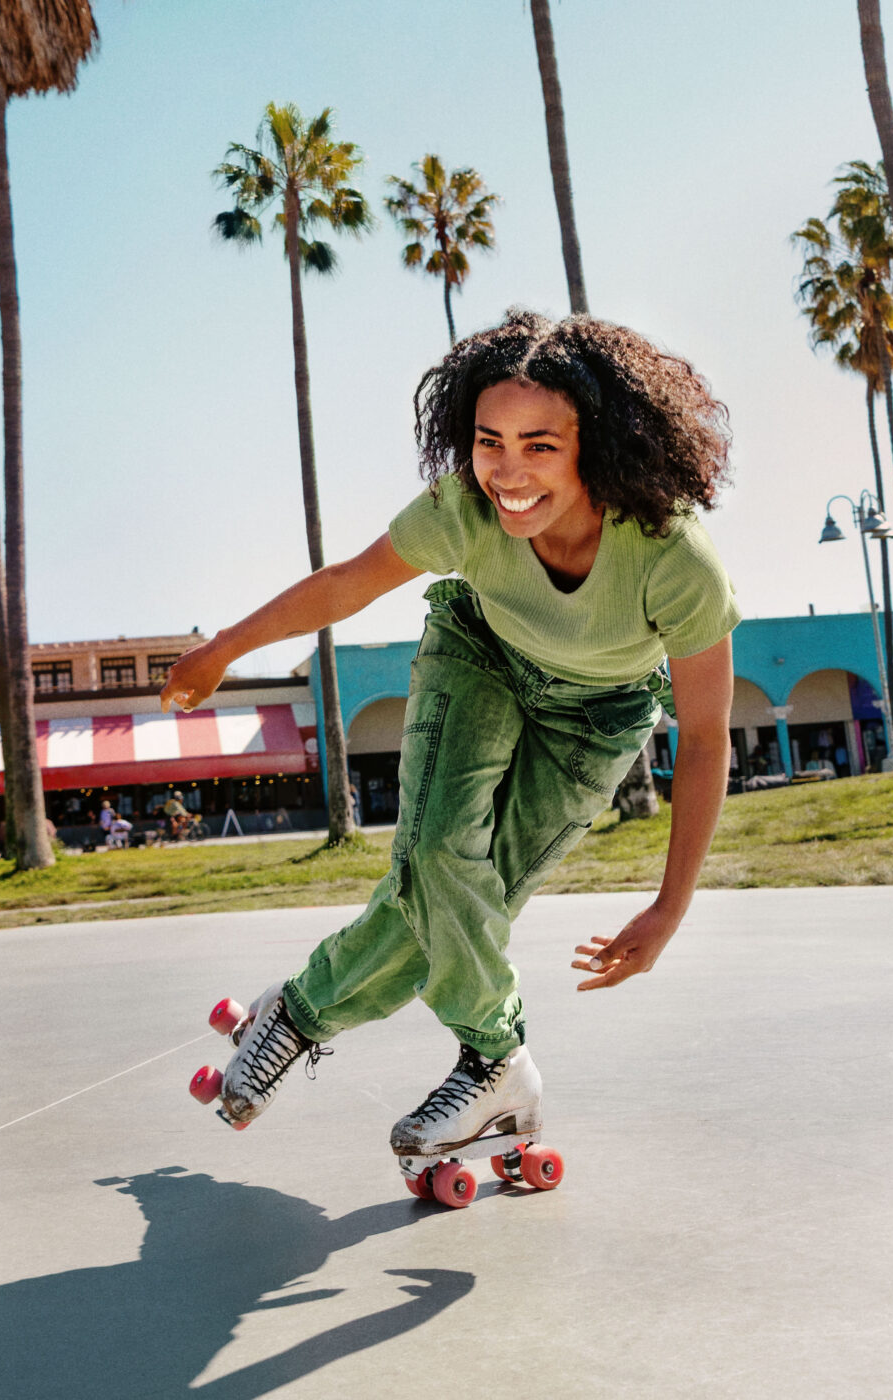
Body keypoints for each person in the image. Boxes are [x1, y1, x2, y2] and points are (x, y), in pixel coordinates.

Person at [162, 310, 737, 1164]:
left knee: (459, 896)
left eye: (540, 445)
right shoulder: (464, 510)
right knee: (436, 858)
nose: (508, 472)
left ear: (598, 445)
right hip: (481, 659)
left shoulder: (672, 558)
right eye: (488, 440)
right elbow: (347, 584)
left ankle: (294, 1015)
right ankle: (497, 1059)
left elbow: (707, 737)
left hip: (596, 720)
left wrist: (669, 907)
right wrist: (225, 650)